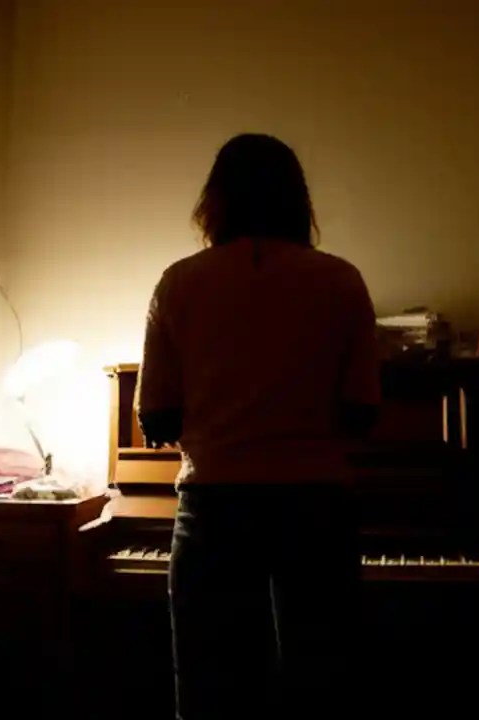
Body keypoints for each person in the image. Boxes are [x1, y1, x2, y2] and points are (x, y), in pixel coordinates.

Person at [136, 133, 380, 720]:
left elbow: (157, 417)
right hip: (318, 509)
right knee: (321, 689)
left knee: (211, 690)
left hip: (215, 509)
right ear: (299, 201)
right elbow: (362, 413)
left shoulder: (179, 282)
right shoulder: (341, 280)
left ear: (214, 200)